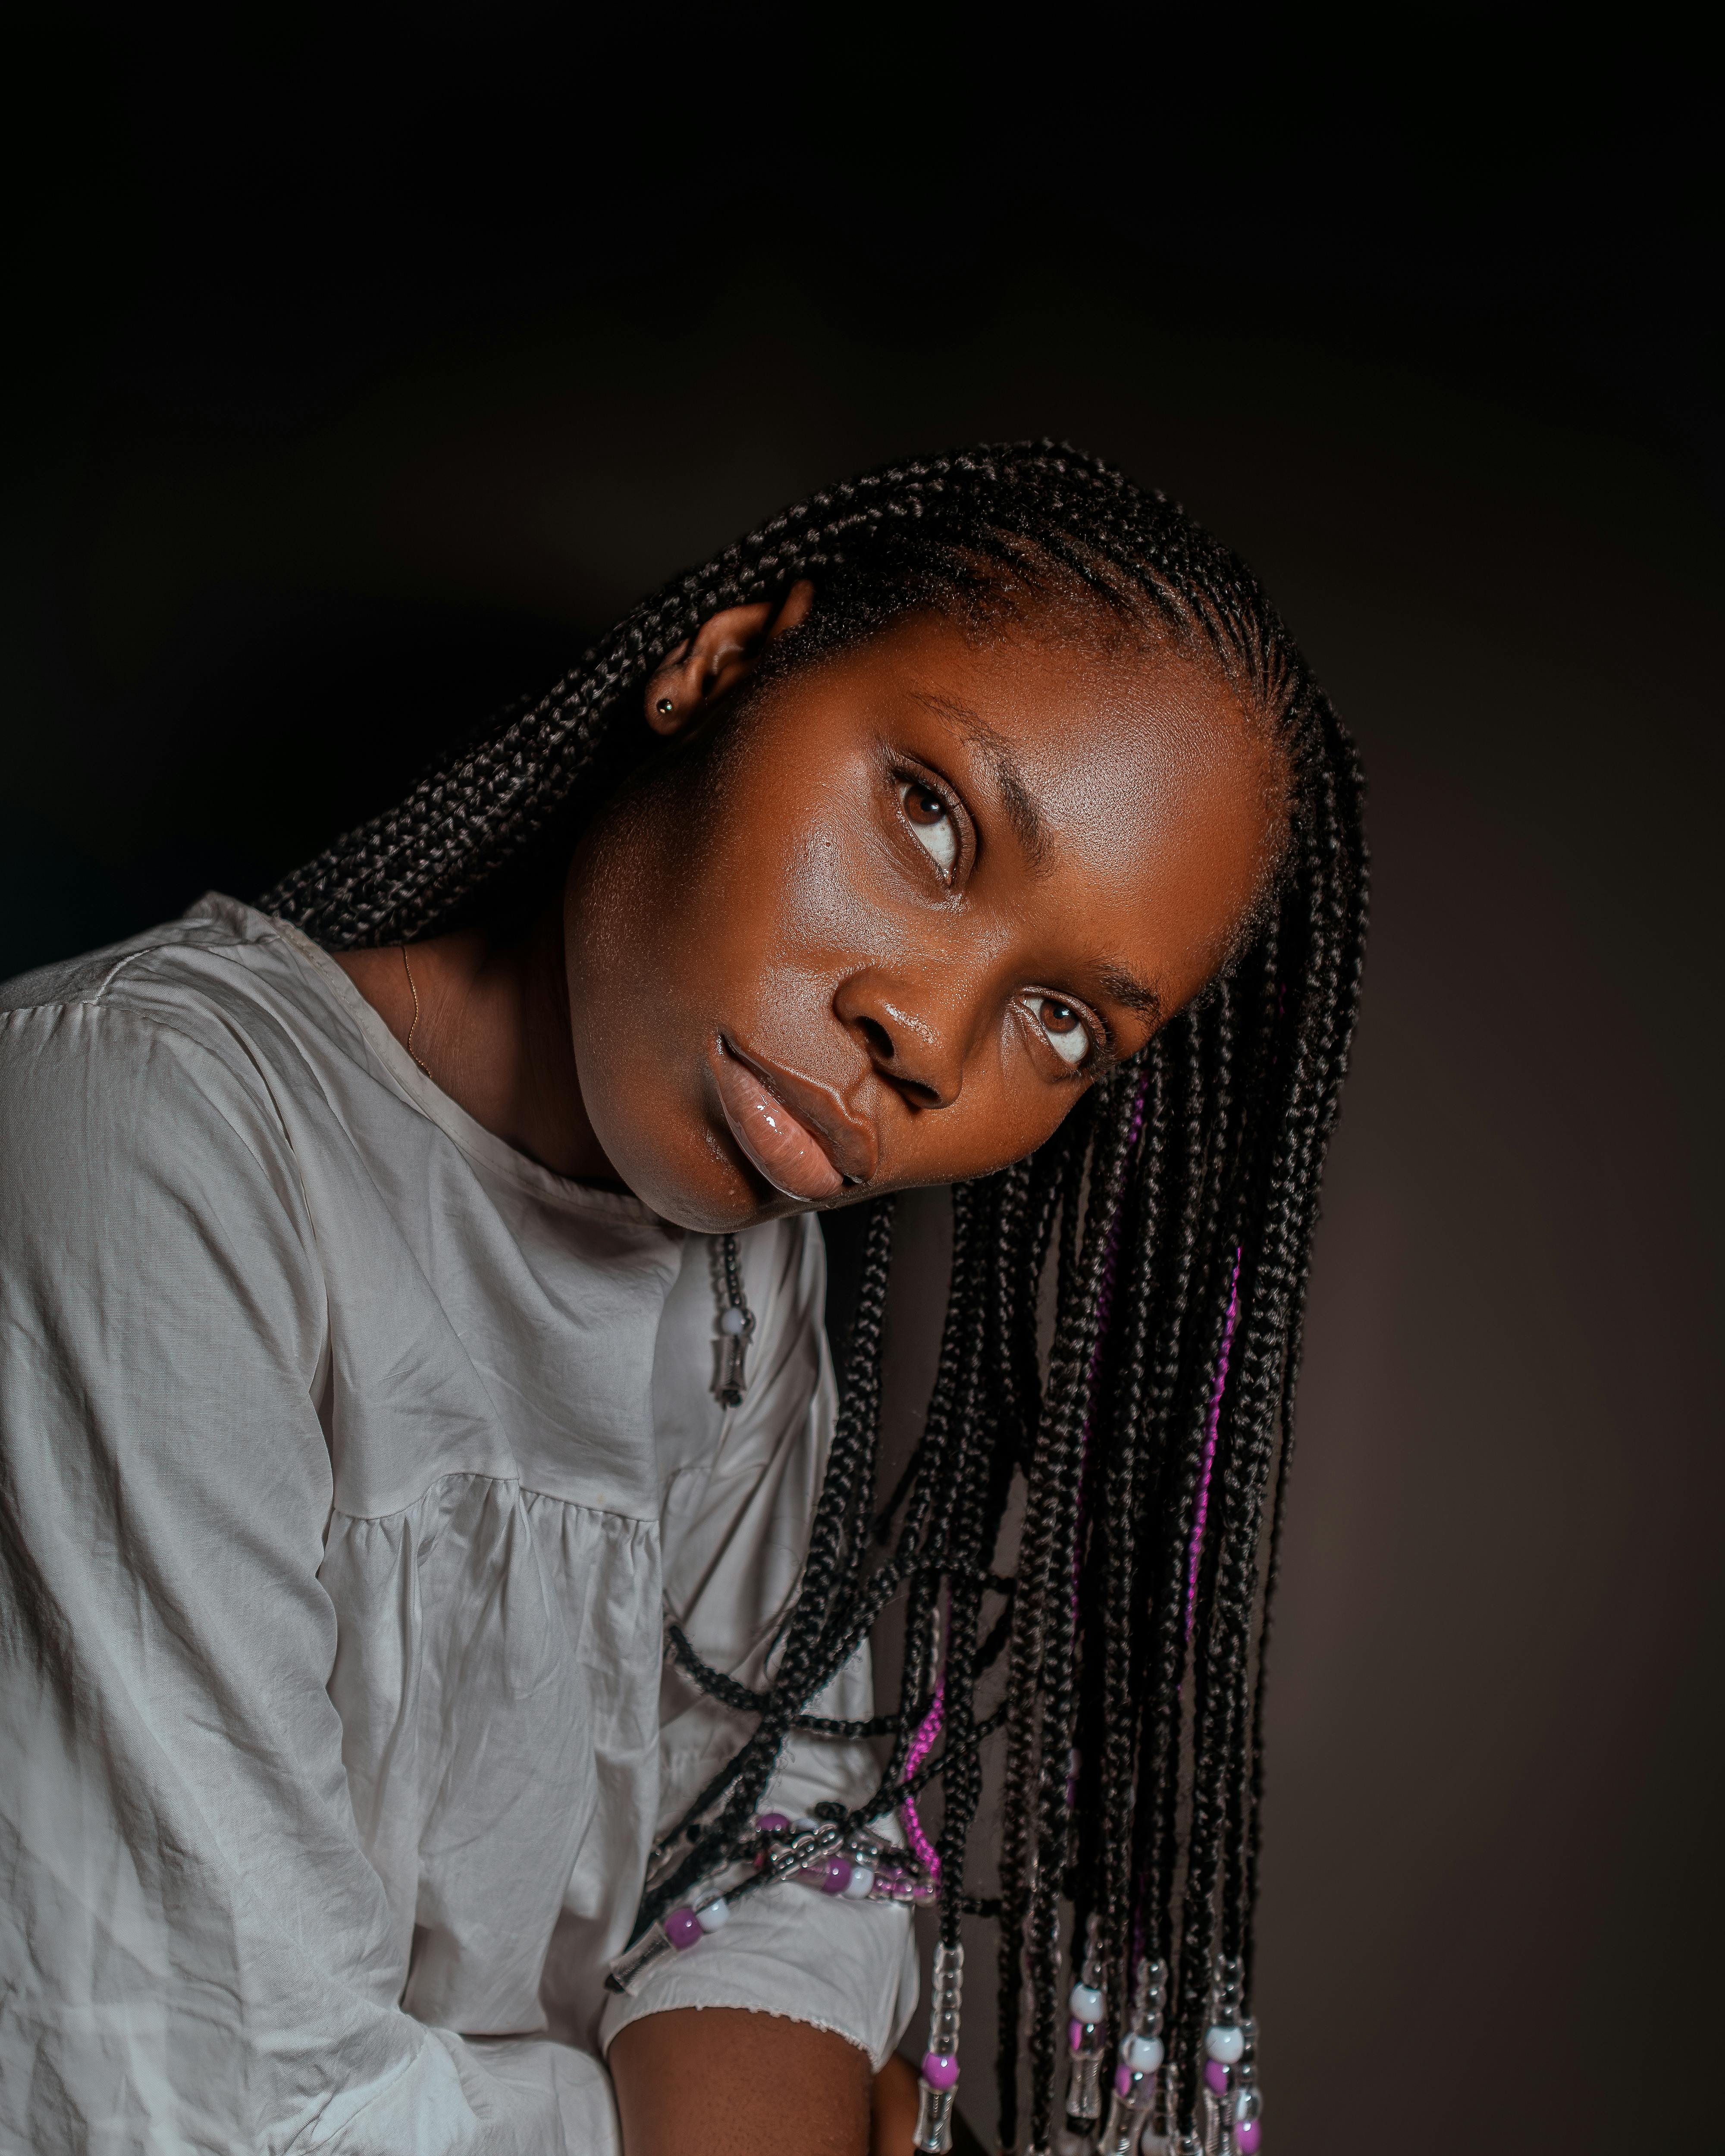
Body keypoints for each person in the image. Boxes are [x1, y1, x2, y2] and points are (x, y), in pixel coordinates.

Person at [0, 444, 1366, 2156]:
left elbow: (779, 1849)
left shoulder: (745, 1268)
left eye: (1068, 1024)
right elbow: (209, 2093)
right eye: (929, 812)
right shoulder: (148, 1128)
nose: (928, 1041)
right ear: (718, 663)